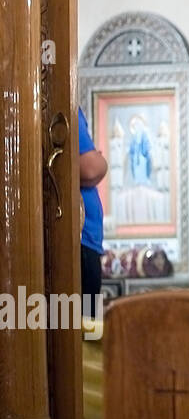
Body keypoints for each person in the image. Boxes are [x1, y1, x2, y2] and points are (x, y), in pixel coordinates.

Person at [77, 107, 107, 318]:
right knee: (85, 338)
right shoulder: (63, 101)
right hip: (80, 242)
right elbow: (90, 168)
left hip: (85, 241)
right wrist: (99, 160)